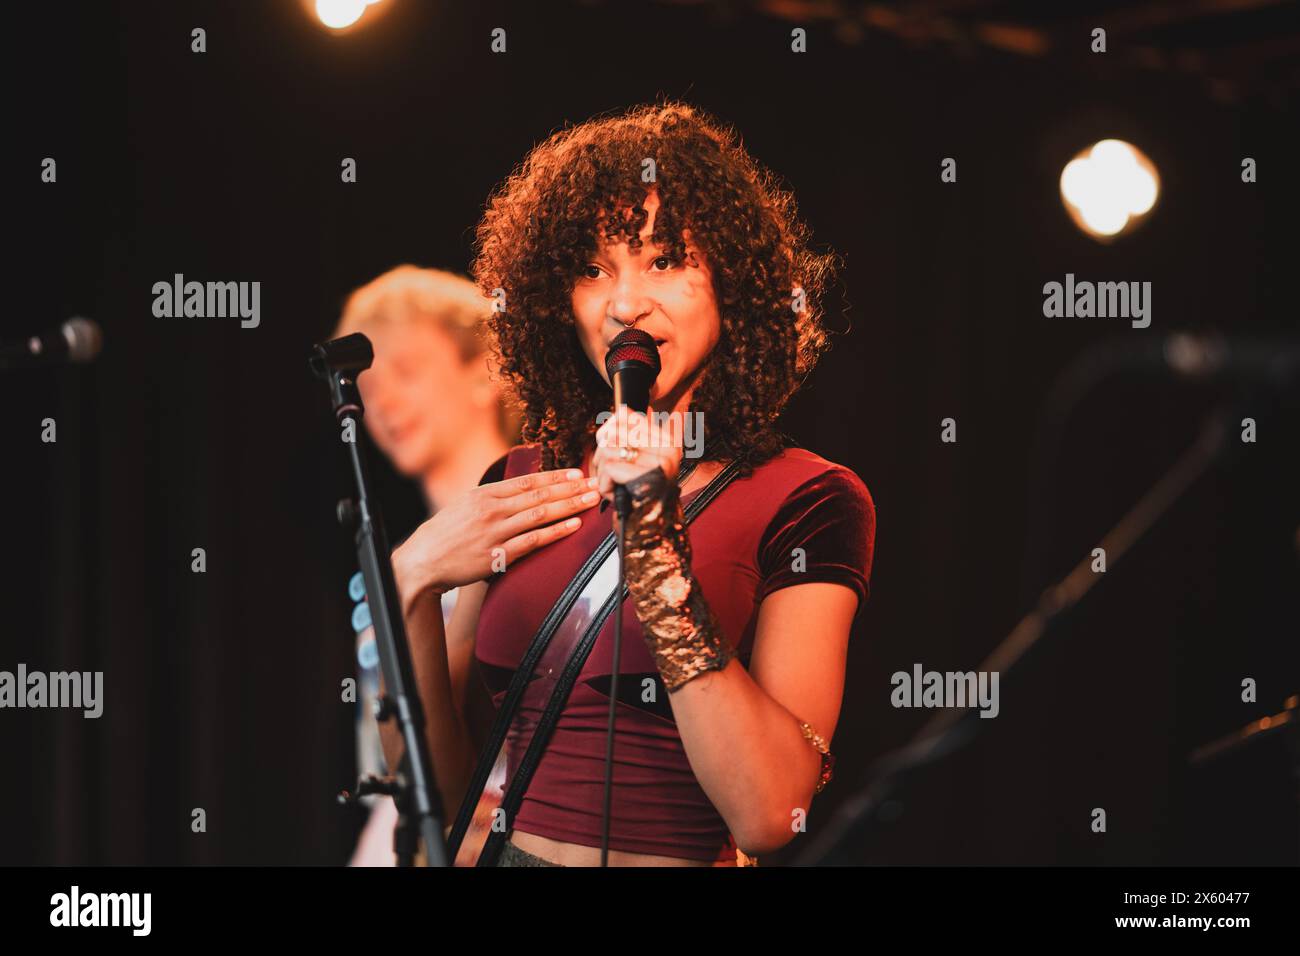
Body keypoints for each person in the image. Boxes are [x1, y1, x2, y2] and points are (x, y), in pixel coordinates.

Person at [382, 103, 876, 866]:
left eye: (664, 260)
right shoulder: (520, 479)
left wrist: (652, 535)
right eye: (591, 269)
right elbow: (436, 793)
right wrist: (408, 583)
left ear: (734, 283)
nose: (623, 304)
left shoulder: (808, 498)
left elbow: (771, 814)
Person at [332, 265, 517, 867]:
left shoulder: (539, 518)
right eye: (370, 386)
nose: (384, 402)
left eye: (407, 372)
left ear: (485, 373)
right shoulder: (404, 554)